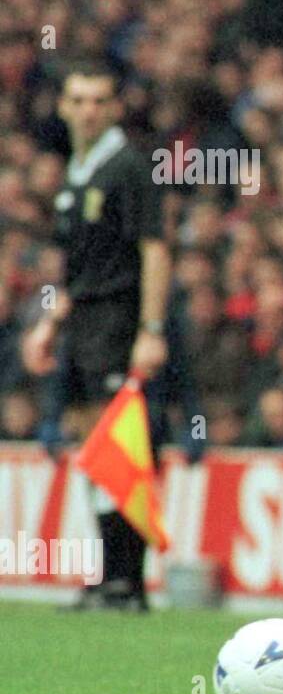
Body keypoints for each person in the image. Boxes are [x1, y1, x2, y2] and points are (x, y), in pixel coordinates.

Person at [21, 62, 171, 611]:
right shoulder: (78, 171)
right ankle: (108, 573)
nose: (87, 110)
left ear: (113, 108)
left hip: (117, 320)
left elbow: (153, 249)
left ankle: (128, 582)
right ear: (63, 106)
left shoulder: (128, 167)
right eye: (78, 100)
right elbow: (72, 267)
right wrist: (49, 322)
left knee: (122, 448)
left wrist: (151, 329)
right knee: (93, 448)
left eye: (98, 101)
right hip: (82, 322)